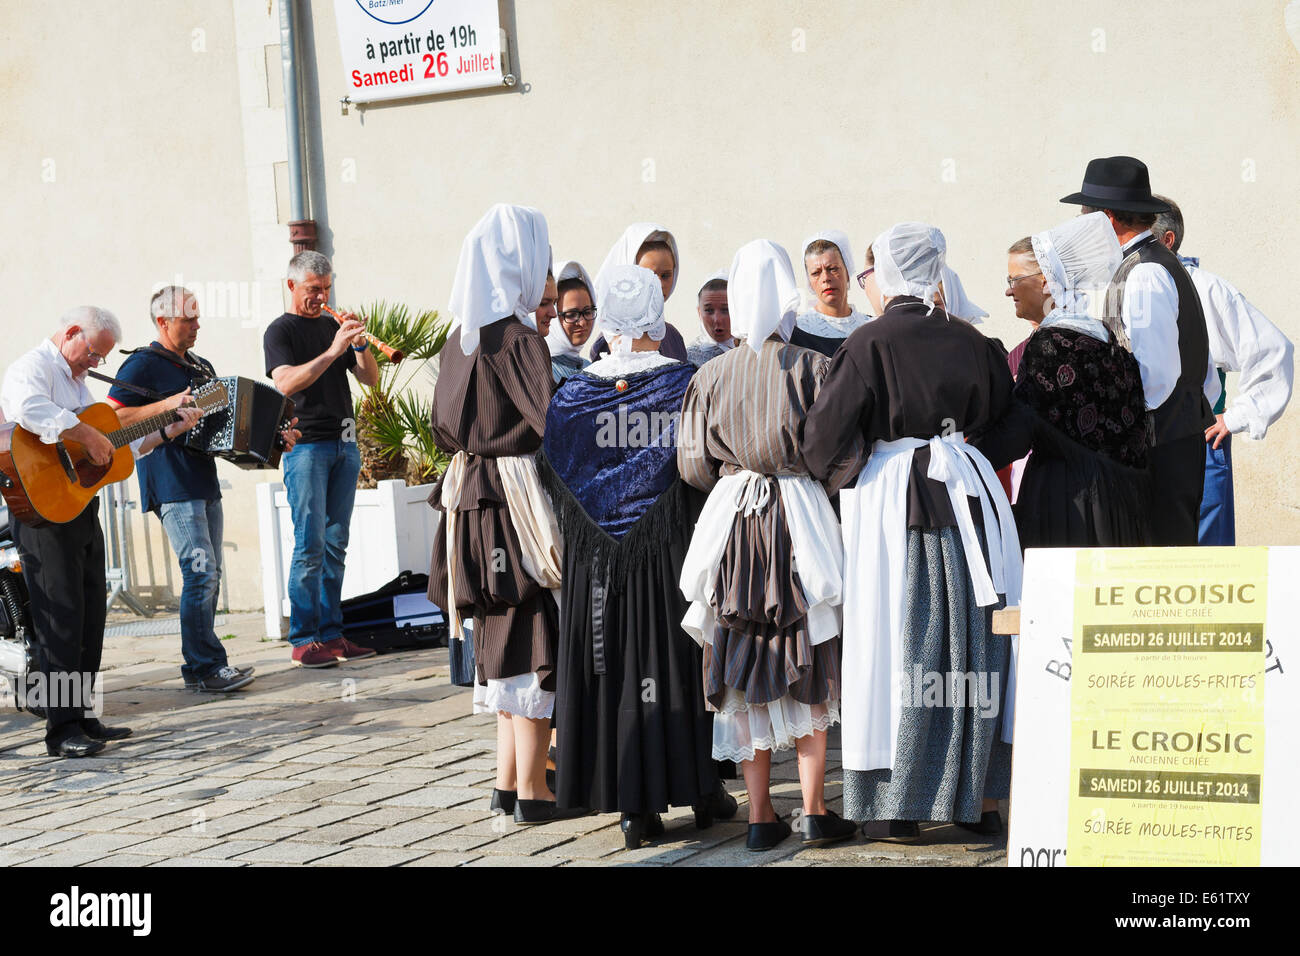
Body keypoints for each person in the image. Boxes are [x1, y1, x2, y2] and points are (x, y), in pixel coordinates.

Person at [802, 223, 1021, 842]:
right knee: (976, 641)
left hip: (899, 505)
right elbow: (1013, 416)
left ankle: (900, 805)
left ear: (887, 275)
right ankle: (977, 797)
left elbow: (821, 439)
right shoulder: (973, 341)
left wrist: (866, 470)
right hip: (970, 501)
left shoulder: (870, 343)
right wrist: (967, 454)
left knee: (904, 641)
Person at [539, 263, 730, 848]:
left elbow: (555, 472)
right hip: (666, 546)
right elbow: (701, 465)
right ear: (655, 312)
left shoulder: (573, 395)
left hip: (597, 560)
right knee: (670, 666)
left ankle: (633, 807)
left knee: (614, 667)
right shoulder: (685, 384)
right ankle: (698, 788)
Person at [678, 239, 860, 852]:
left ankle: (760, 816)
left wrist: (738, 478)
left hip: (734, 522)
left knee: (740, 654)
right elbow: (843, 455)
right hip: (797, 516)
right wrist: (808, 484)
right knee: (804, 649)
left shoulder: (709, 375)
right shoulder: (814, 368)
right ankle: (813, 809)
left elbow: (693, 466)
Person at [428, 203, 579, 825]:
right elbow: (554, 425)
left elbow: (442, 426)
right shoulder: (518, 339)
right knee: (533, 623)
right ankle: (534, 794)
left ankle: (507, 782)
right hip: (512, 497)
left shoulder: (459, 339)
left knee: (501, 630)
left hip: (469, 499)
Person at [1, 307, 203, 757]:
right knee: (59, 617)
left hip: (78, 509)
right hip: (41, 510)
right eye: (92, 353)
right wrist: (83, 432)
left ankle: (84, 716)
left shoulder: (76, 383)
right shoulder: (32, 368)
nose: (93, 364)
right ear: (71, 332)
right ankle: (61, 730)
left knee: (91, 613)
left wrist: (168, 431)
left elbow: (120, 447)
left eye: (100, 359)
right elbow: (28, 410)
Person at [108, 286, 297, 692]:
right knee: (200, 573)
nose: (197, 326)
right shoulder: (141, 366)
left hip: (203, 481)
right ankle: (207, 666)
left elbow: (223, 432)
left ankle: (201, 667)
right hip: (171, 481)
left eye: (197, 317)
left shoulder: (201, 366)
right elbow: (115, 419)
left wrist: (272, 441)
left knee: (210, 573)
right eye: (187, 319)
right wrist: (166, 405)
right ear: (162, 322)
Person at [1061, 156, 1217, 545]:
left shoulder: (1145, 272)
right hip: (1168, 441)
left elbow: (1156, 378)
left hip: (1157, 450)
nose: (1078, 225)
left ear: (1108, 218)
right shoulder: (1145, 264)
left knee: (1158, 568)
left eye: (1084, 214)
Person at [973, 214, 1151, 548]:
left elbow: (1019, 430)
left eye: (1014, 279)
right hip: (1120, 508)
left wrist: (963, 458)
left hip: (1070, 505)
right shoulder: (1105, 341)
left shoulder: (1049, 343)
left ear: (1044, 281)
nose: (1008, 290)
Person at [1151, 196, 1294, 545]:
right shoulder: (1121, 284)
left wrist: (1236, 417)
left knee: (1202, 563)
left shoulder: (1206, 288)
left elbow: (1274, 350)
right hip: (1140, 447)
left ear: (1167, 240)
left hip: (1198, 442)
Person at [263, 251, 380, 668]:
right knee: (309, 545)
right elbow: (286, 382)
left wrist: (361, 345)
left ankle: (332, 635)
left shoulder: (334, 327)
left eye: (326, 289)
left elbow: (369, 378)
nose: (321, 296)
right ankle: (304, 639)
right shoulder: (280, 331)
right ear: (291, 285)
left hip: (344, 445)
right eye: (314, 289)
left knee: (335, 544)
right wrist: (333, 349)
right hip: (307, 446)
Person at [588, 223, 689, 362]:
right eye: (650, 277)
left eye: (665, 275)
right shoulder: (611, 339)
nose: (658, 285)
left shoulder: (673, 336)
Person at [790, 231, 872, 356]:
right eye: (816, 272)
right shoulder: (797, 332)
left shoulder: (870, 328)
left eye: (832, 269)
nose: (825, 278)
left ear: (847, 272)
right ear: (809, 280)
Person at [546, 260, 597, 384]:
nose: (582, 323)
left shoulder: (591, 369)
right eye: (571, 315)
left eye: (587, 312)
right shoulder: (541, 372)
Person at [685, 271, 734, 367]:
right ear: (699, 312)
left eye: (725, 310)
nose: (717, 319)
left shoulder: (753, 352)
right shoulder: (690, 359)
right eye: (709, 310)